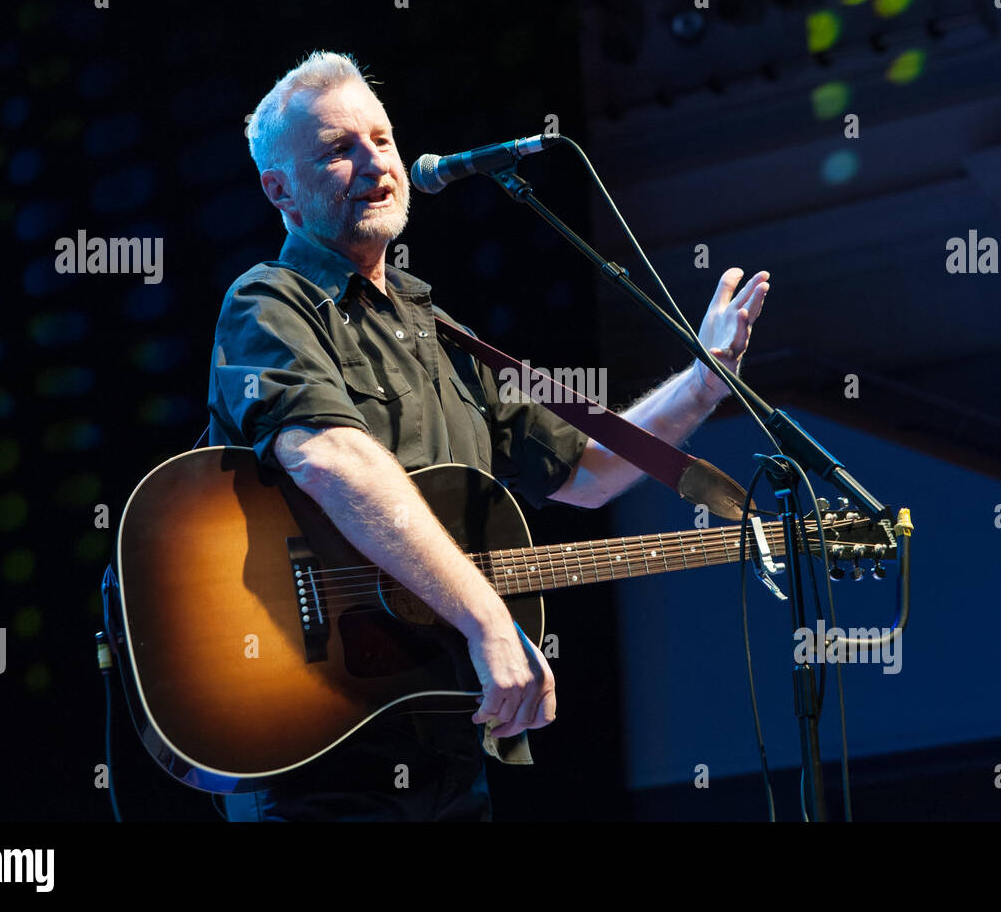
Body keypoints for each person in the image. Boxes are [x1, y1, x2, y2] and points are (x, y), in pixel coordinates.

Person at [207, 51, 770, 820]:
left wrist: (703, 383)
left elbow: (590, 469)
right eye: (340, 149)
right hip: (316, 748)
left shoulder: (439, 331)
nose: (375, 161)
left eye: (382, 138)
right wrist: (486, 616)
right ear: (281, 190)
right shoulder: (269, 302)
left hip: (442, 748)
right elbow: (331, 456)